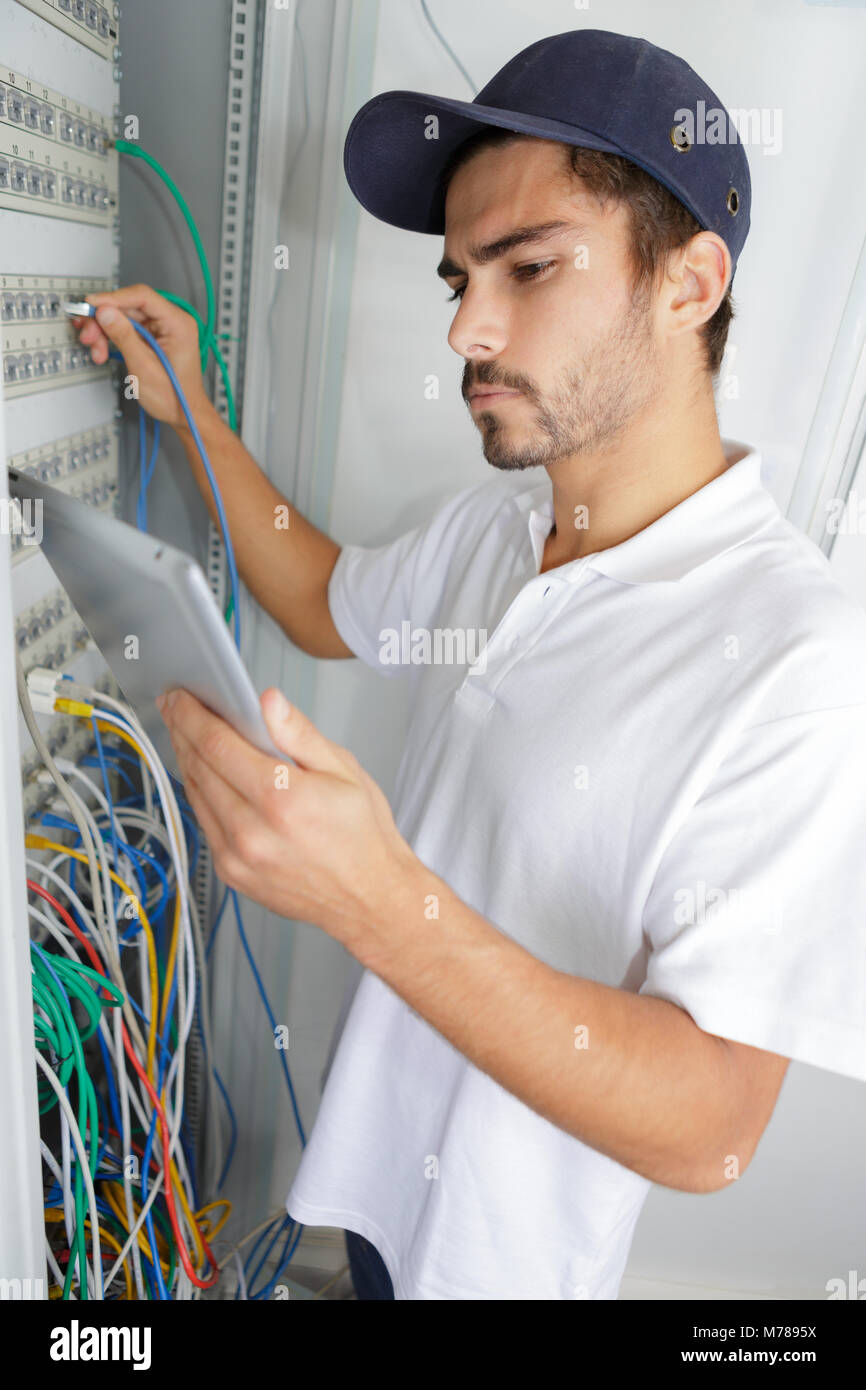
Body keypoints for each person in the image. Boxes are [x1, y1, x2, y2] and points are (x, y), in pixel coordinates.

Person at [70, 29, 866, 1301]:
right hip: (370, 1179)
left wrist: (372, 896)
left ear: (689, 282)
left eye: (528, 267)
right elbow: (325, 598)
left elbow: (709, 1125)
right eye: (457, 280)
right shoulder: (497, 525)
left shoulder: (793, 660)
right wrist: (196, 410)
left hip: (496, 1261)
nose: (466, 331)